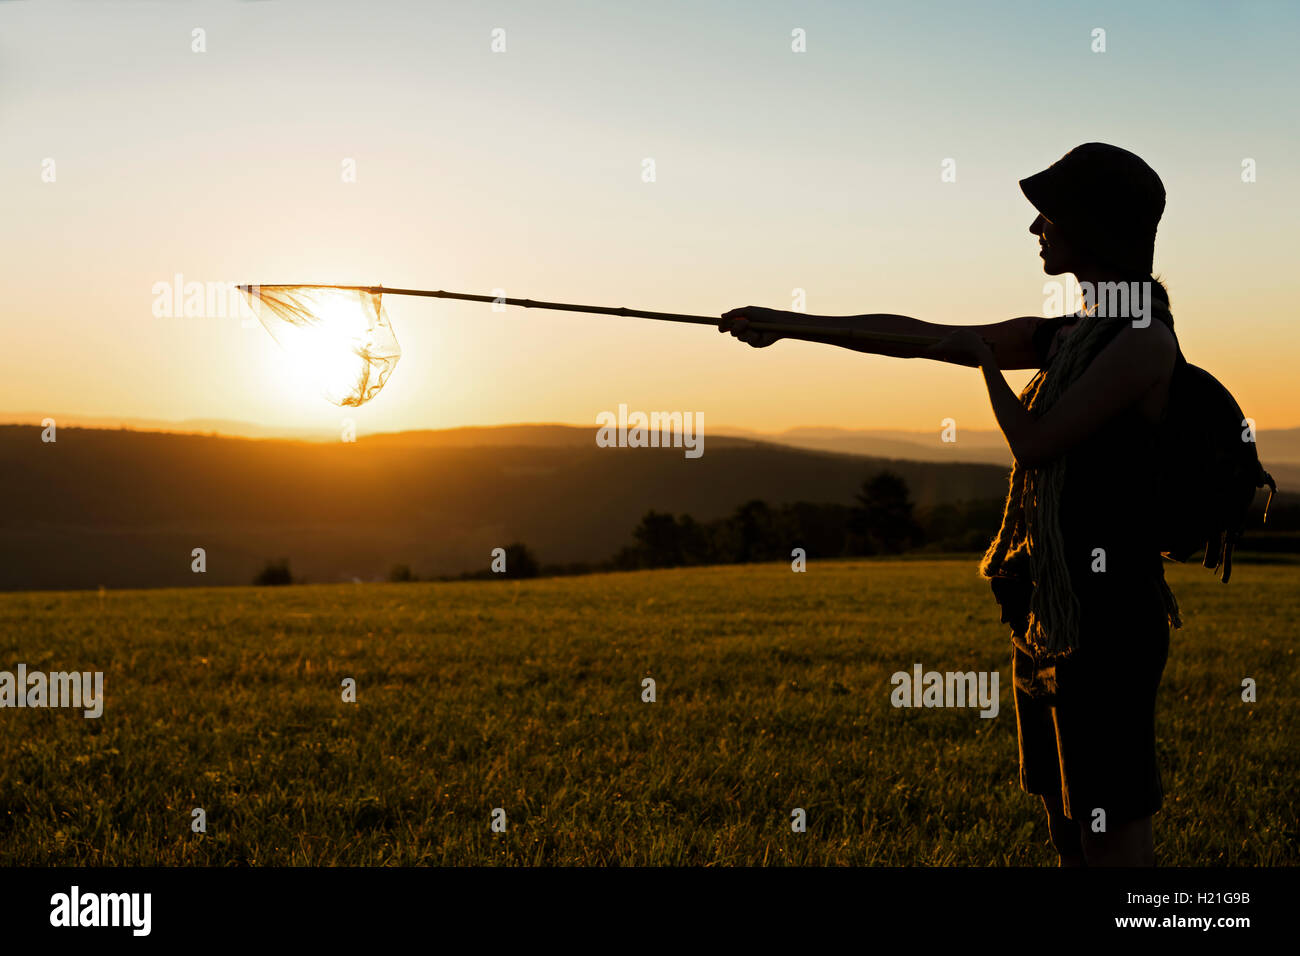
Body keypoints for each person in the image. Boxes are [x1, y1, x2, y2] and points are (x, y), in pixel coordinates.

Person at [719, 144, 1180, 866]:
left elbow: (1035, 442)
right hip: (1048, 612)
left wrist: (989, 369)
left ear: (1094, 226)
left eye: (1049, 215)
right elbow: (923, 337)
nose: (1035, 229)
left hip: (1109, 619)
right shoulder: (1070, 335)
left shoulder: (1144, 342)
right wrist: (792, 323)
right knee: (1066, 822)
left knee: (1113, 834)